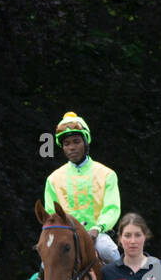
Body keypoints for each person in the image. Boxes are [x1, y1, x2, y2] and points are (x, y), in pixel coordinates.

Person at [44, 112, 121, 267]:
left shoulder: (107, 174)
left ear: (86, 143)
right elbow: (50, 213)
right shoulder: (53, 179)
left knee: (107, 249)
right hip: (65, 235)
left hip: (97, 235)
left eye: (76, 142)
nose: (72, 147)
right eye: (67, 144)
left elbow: (112, 208)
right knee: (46, 262)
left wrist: (97, 228)